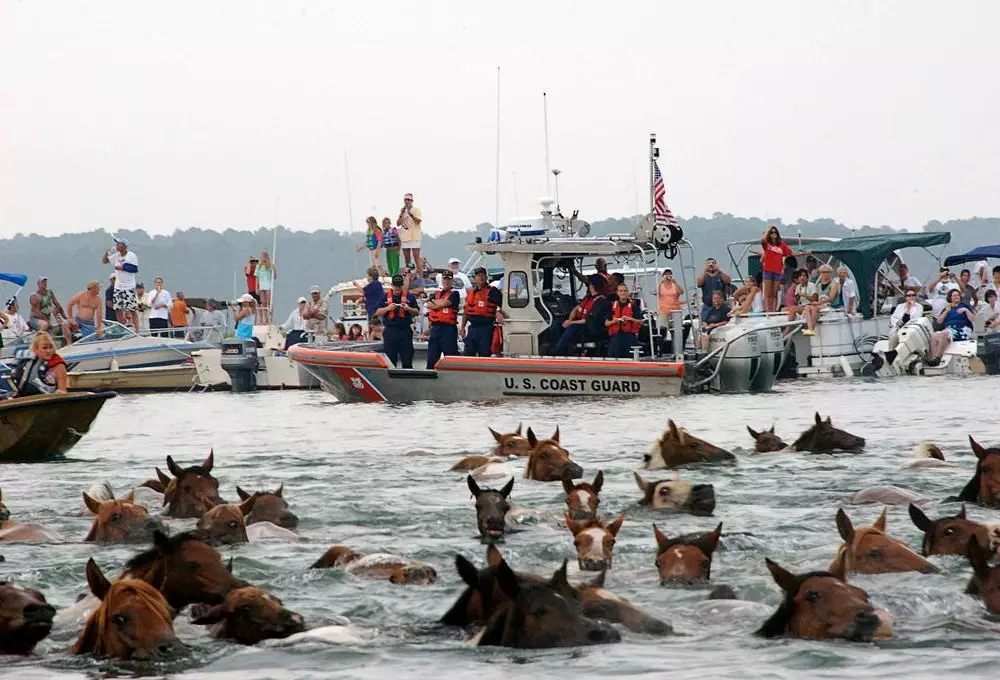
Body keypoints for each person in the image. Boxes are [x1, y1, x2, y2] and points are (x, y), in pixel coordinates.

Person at [759, 226, 810, 312]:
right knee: (768, 293)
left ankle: (773, 311)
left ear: (777, 234)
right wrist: (769, 229)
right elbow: (763, 240)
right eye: (771, 233)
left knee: (774, 293)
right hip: (767, 270)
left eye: (775, 232)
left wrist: (805, 253)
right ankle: (768, 311)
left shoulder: (782, 245)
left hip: (777, 271)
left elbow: (792, 253)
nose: (773, 234)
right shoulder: (766, 244)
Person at [376, 274, 419, 368]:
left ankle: (408, 377)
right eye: (396, 285)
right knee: (390, 360)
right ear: (392, 285)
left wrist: (408, 309)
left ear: (402, 285)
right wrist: (388, 308)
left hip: (405, 330)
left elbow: (416, 312)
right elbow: (378, 312)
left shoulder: (410, 297)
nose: (397, 288)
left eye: (399, 285)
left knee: (407, 359)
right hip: (391, 330)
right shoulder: (385, 297)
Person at [554, 276, 603, 356]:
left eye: (589, 285)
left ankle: (558, 350)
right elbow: (576, 308)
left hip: (589, 326)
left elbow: (588, 320)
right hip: (579, 321)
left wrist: (571, 323)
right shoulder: (587, 298)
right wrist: (570, 320)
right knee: (557, 325)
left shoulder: (600, 301)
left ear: (592, 287)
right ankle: (559, 347)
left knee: (573, 327)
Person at [461, 267, 504, 357]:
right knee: (468, 354)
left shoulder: (493, 291)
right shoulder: (471, 293)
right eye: (478, 275)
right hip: (472, 328)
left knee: (484, 354)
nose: (480, 278)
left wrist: (499, 312)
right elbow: (466, 311)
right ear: (474, 278)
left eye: (483, 275)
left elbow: (503, 305)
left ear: (486, 277)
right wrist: (462, 327)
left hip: (486, 328)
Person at [11, 331, 68, 396]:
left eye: (51, 347)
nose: (48, 351)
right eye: (45, 348)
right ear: (35, 349)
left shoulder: (58, 363)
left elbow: (62, 391)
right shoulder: (29, 362)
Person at [102, 236, 139, 328]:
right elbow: (105, 261)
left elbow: (134, 269)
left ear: (123, 245)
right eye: (116, 244)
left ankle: (137, 329)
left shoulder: (131, 255)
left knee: (132, 309)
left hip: (129, 286)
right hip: (118, 286)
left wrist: (123, 267)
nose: (117, 245)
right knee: (118, 308)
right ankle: (122, 328)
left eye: (119, 244)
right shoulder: (116, 256)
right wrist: (106, 253)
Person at [426, 269, 460, 368]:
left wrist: (435, 303)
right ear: (442, 280)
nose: (447, 281)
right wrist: (437, 304)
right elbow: (428, 305)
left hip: (448, 329)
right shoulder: (434, 293)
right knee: (432, 358)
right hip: (435, 328)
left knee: (450, 357)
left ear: (452, 281)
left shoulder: (455, 294)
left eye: (449, 279)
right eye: (445, 279)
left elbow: (446, 303)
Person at [929, 288, 975, 362]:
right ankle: (934, 358)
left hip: (962, 330)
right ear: (950, 298)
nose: (956, 297)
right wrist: (946, 311)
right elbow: (939, 321)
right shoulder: (947, 308)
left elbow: (973, 319)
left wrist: (966, 311)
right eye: (954, 296)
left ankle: (938, 357)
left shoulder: (965, 306)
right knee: (934, 335)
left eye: (957, 295)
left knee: (944, 333)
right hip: (949, 330)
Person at [605, 282, 644, 358]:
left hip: (629, 337)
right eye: (621, 291)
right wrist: (615, 321)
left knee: (630, 359)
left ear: (627, 292)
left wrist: (630, 319)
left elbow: (641, 322)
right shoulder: (612, 305)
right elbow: (606, 323)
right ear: (617, 293)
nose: (623, 293)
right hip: (616, 338)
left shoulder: (633, 306)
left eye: (625, 291)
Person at [28, 277, 72, 341]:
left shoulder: (49, 292)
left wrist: (64, 316)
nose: (44, 283)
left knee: (64, 323)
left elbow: (57, 304)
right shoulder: (34, 296)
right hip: (36, 319)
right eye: (42, 282)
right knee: (44, 324)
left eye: (45, 282)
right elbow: (36, 311)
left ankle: (66, 340)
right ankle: (36, 341)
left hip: (47, 317)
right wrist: (46, 321)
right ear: (38, 284)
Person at [786, 269, 819, 336]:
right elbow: (797, 300)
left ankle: (787, 330)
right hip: (801, 306)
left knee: (793, 309)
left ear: (807, 277)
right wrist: (797, 297)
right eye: (800, 276)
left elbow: (814, 299)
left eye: (804, 275)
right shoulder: (798, 286)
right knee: (784, 309)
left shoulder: (811, 285)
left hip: (809, 306)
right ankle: (786, 328)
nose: (802, 277)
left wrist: (803, 295)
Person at [397, 193, 423, 272]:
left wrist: (410, 214)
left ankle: (420, 278)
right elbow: (398, 224)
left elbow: (418, 221)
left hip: (414, 237)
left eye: (408, 200)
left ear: (412, 201)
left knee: (416, 258)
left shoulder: (416, 210)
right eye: (405, 200)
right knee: (407, 260)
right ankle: (409, 277)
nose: (407, 201)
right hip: (405, 237)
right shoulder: (402, 211)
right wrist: (401, 214)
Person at [257, 251, 276, 324]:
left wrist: (274, 269)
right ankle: (265, 319)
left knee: (269, 302)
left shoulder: (270, 266)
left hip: (268, 286)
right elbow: (257, 277)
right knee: (263, 303)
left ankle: (270, 318)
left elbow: (274, 277)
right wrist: (257, 287)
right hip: (262, 286)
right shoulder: (259, 266)